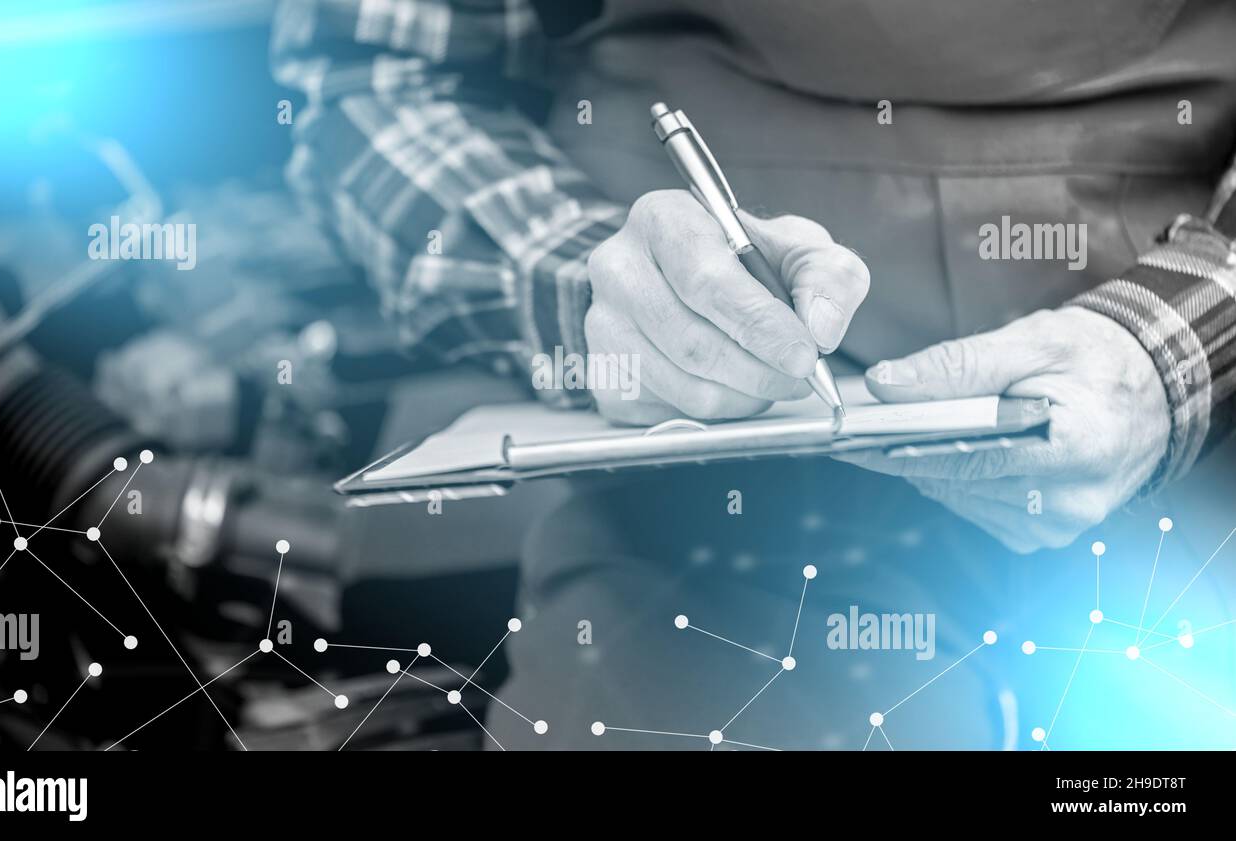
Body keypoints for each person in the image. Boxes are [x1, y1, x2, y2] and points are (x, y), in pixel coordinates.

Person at [272, 0, 1236, 749]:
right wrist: (599, 295)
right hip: (707, 486)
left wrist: (1177, 338)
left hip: (1193, 455)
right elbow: (382, 74)